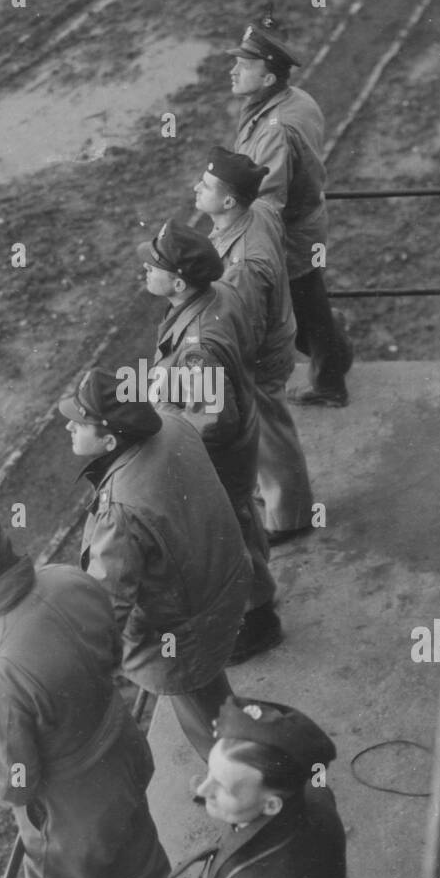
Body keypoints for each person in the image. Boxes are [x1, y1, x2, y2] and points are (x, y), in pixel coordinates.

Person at [0, 498, 172, 878]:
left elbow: (12, 785)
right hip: (124, 760)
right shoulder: (68, 579)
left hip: (70, 818)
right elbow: (108, 655)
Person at [61, 367, 251, 759]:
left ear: (110, 439)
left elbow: (106, 604)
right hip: (223, 584)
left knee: (208, 721)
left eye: (79, 424)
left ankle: (235, 775)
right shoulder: (173, 425)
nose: (69, 429)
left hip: (181, 632)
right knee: (213, 695)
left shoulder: (120, 509)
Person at [137, 217, 281, 662]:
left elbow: (213, 419)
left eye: (152, 266)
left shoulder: (199, 342)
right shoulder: (213, 297)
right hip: (237, 441)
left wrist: (171, 440)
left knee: (227, 535)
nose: (145, 270)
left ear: (178, 282)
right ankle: (261, 596)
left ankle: (258, 622)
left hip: (216, 454)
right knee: (240, 521)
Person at [230, 5, 354, 407]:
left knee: (298, 309)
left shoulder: (275, 128)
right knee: (308, 302)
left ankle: (331, 379)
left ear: (267, 76)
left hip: (287, 234)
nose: (233, 71)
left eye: (242, 65)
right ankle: (333, 357)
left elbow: (268, 198)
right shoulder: (294, 99)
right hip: (306, 224)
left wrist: (244, 244)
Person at [195, 145, 315, 545]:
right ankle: (273, 496)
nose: (197, 187)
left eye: (206, 184)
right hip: (277, 339)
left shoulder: (243, 265)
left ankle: (289, 517)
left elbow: (245, 324)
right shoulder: (258, 211)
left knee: (270, 434)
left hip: (258, 356)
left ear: (228, 201)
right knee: (267, 429)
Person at [172, 696, 347, 878]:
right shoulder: (310, 792)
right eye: (209, 772)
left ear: (272, 805)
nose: (201, 789)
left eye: (224, 787)